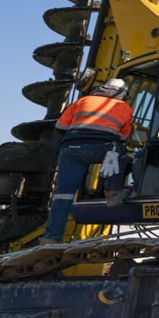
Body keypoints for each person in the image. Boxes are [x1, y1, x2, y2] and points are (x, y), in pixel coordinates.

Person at [40, 77, 133, 244]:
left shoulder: (83, 100)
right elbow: (124, 137)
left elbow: (60, 127)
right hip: (104, 149)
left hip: (72, 150)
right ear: (123, 93)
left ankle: (51, 237)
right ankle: (112, 191)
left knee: (63, 194)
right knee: (122, 153)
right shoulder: (124, 107)